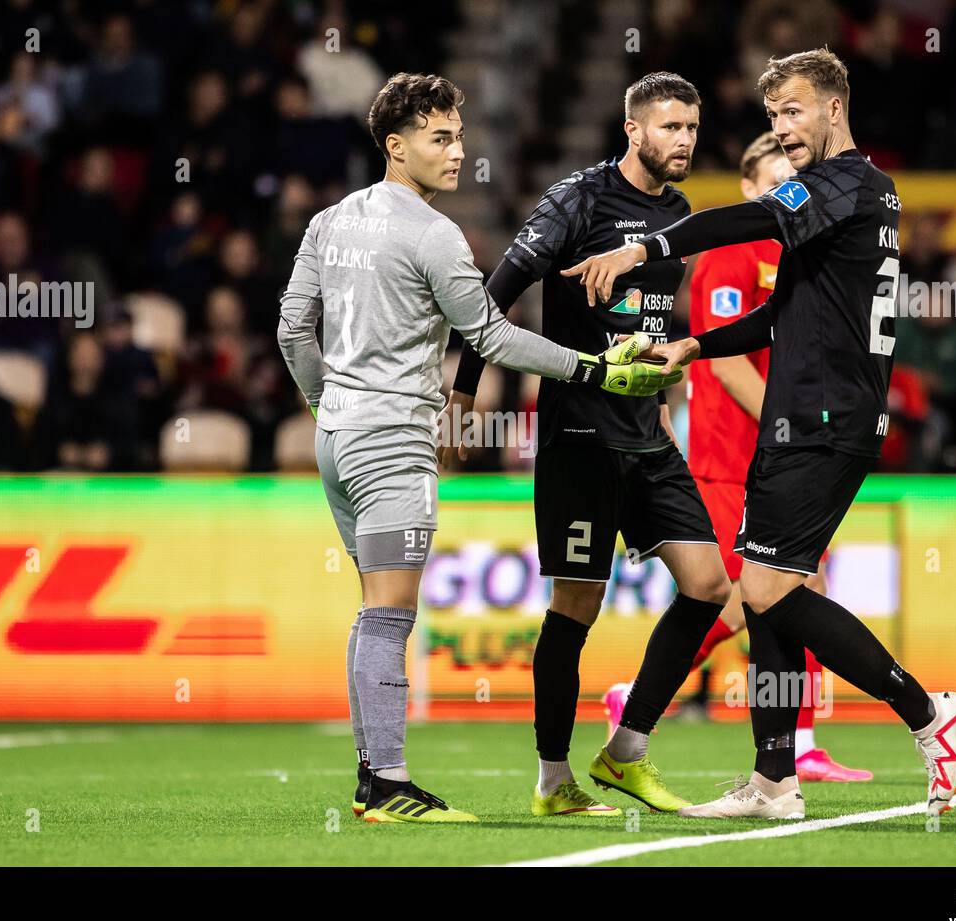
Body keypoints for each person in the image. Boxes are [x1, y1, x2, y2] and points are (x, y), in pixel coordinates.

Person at [563, 48, 956, 820]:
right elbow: (785, 313)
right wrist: (697, 345)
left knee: (768, 587)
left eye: (793, 111)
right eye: (773, 116)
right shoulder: (863, 194)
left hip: (822, 417)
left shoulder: (842, 183)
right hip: (810, 413)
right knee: (764, 591)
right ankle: (775, 781)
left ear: (833, 108)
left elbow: (744, 217)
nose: (782, 128)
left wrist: (645, 246)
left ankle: (927, 712)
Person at [277, 72, 676, 825]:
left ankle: (375, 778)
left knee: (373, 612)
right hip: (393, 443)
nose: (458, 152)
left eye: (459, 136)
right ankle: (387, 785)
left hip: (335, 440)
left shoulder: (330, 221)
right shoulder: (432, 234)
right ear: (396, 147)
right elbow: (490, 334)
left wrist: (319, 402)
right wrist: (591, 366)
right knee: (391, 615)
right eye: (440, 138)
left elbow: (294, 329)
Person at [444, 72, 731, 818]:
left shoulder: (679, 216)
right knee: (577, 604)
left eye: (692, 128)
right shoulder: (579, 198)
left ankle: (626, 750)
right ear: (633, 130)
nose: (684, 141)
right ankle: (551, 781)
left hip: (646, 433)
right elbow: (495, 295)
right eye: (670, 127)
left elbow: (657, 323)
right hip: (578, 434)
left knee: (708, 585)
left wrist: (668, 401)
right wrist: (465, 391)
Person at [606, 131, 872, 783]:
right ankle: (642, 699)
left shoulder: (802, 256)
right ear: (752, 190)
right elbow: (723, 365)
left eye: (796, 181)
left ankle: (795, 737)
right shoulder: (732, 257)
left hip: (783, 458)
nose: (790, 192)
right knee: (767, 590)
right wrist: (789, 425)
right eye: (776, 181)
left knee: (785, 587)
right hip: (733, 458)